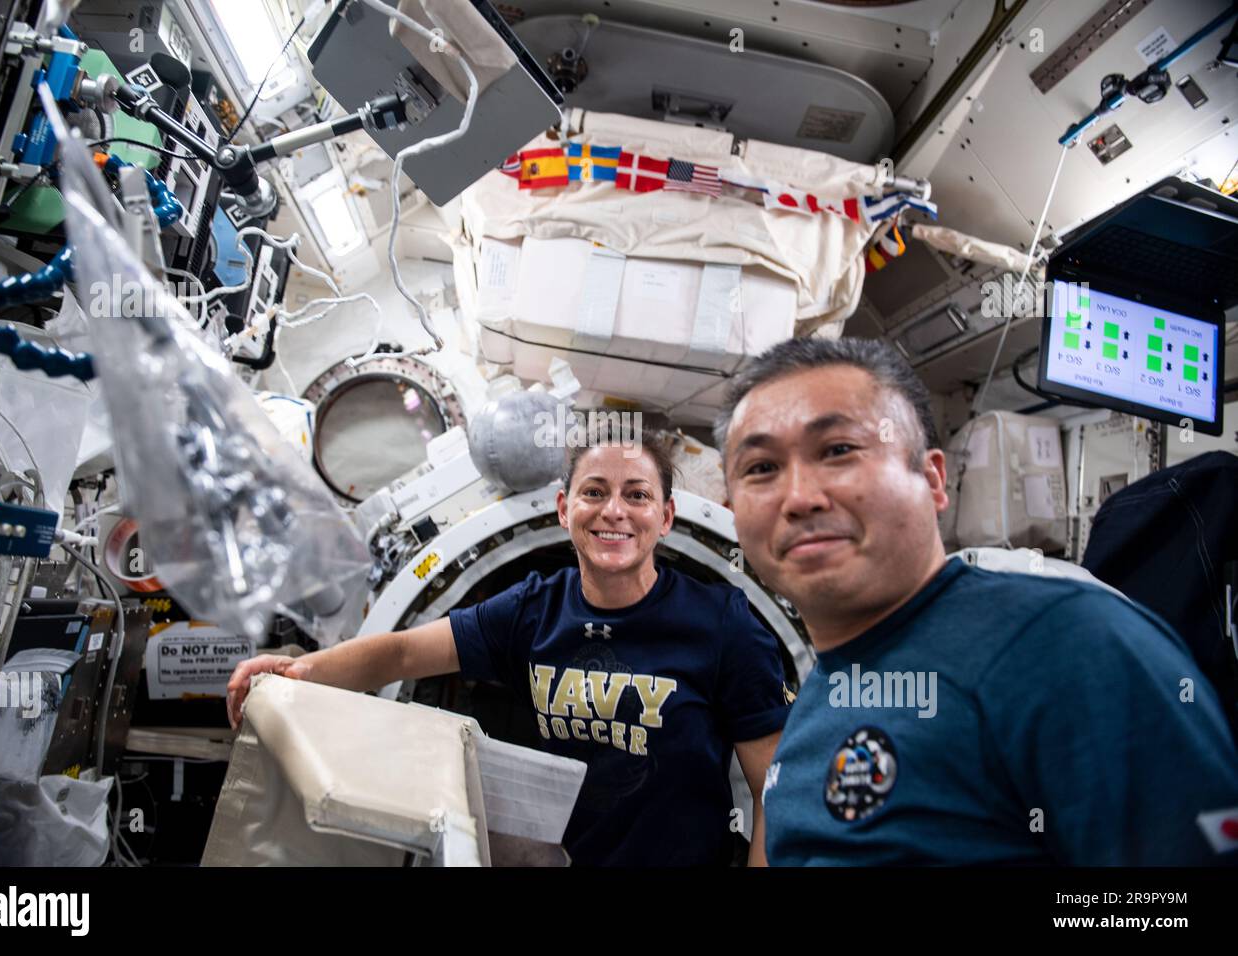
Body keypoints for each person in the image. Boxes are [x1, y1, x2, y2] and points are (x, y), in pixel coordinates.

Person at [715, 336, 1238, 865]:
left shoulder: (1065, 644)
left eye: (838, 450)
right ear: (731, 507)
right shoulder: (821, 696)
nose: (801, 497)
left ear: (933, 478)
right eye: (761, 468)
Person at [227, 427, 790, 866]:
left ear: (664, 517)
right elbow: (401, 654)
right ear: (565, 509)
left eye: (636, 495)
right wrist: (298, 671)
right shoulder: (532, 609)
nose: (614, 511)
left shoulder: (722, 625)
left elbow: (773, 790)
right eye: (594, 493)